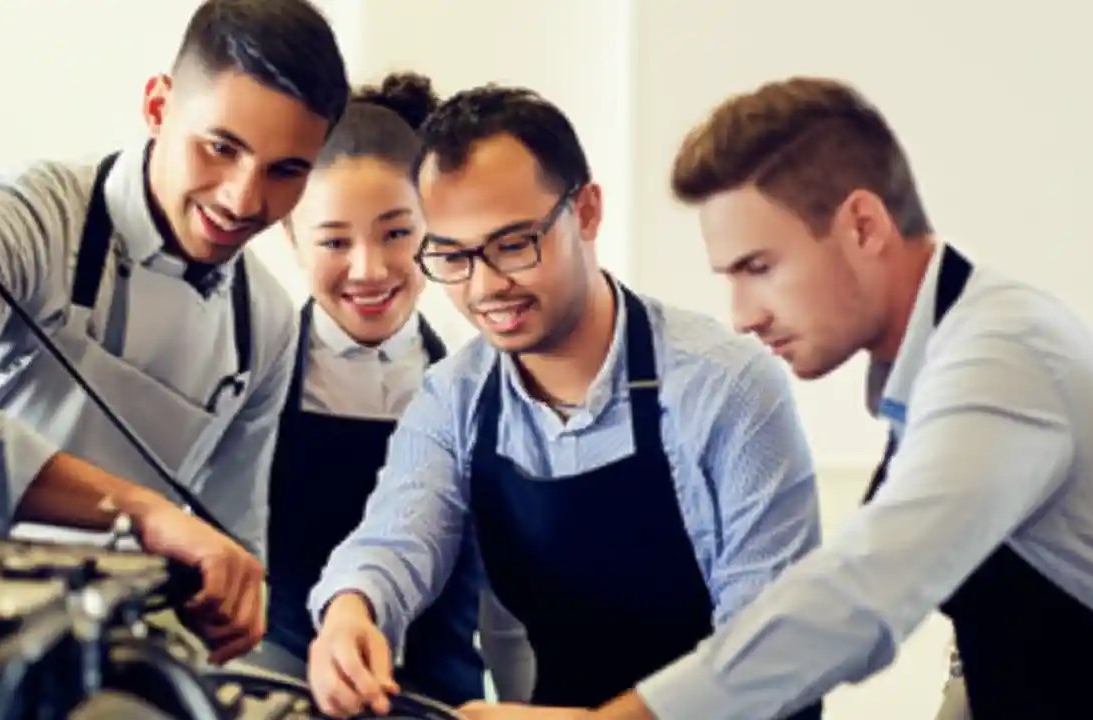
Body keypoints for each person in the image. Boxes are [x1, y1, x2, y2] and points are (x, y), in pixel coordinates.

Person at [466, 76, 1093, 720]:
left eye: (759, 268)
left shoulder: (998, 360)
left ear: (864, 226)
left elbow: (858, 603)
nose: (742, 315)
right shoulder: (941, 353)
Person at [0, 0, 348, 666]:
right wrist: (140, 512)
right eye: (220, 147)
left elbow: (229, 541)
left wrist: (226, 602)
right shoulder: (23, 215)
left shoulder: (270, 324)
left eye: (287, 171)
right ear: (159, 107)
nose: (243, 200)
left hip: (66, 665)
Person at [302, 84, 825, 719]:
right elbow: (394, 538)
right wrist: (350, 612)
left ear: (588, 212)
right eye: (453, 256)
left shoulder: (728, 389)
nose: (487, 286)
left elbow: (768, 661)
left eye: (515, 244)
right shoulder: (455, 397)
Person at [238, 71, 493, 706]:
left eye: (397, 233)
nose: (369, 269)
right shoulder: (243, 379)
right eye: (333, 240)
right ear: (290, 234)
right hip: (281, 696)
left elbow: (510, 611)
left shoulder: (486, 391)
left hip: (441, 704)